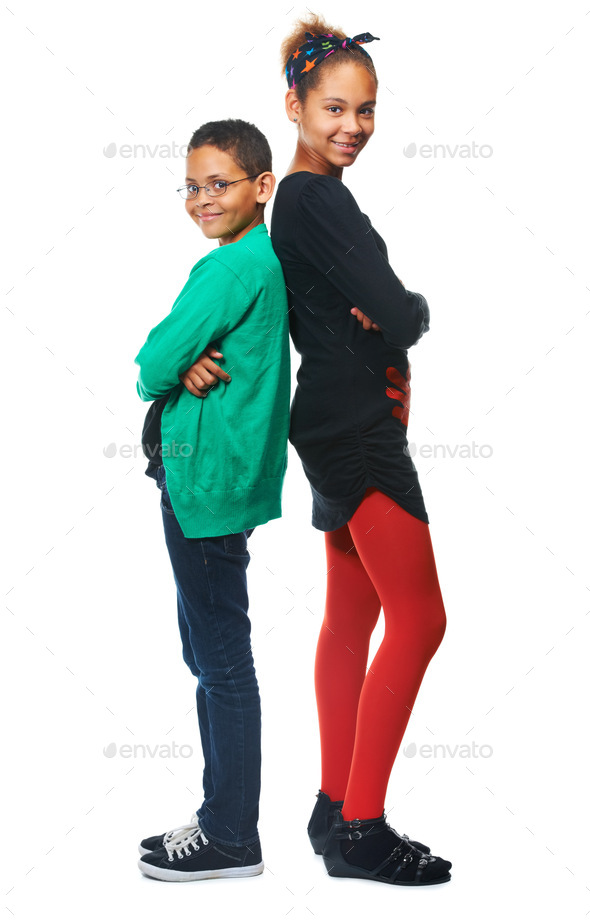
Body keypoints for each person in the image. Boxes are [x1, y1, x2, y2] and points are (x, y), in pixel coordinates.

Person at [269, 15, 452, 886]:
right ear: (296, 105)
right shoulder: (314, 197)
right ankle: (362, 828)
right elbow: (399, 308)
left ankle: (331, 804)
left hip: (338, 423)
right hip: (358, 431)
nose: (354, 126)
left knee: (355, 616)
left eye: (368, 110)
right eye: (335, 107)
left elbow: (377, 306)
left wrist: (388, 310)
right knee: (421, 619)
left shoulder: (308, 198)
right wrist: (407, 310)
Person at [133, 118, 290, 882]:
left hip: (204, 488)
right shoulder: (257, 258)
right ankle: (217, 815)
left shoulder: (227, 271)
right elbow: (178, 362)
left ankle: (231, 833)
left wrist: (170, 366)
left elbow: (152, 362)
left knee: (222, 662)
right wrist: (182, 364)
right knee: (209, 652)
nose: (201, 199)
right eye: (192, 186)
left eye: (218, 184)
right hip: (221, 484)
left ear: (262, 187)